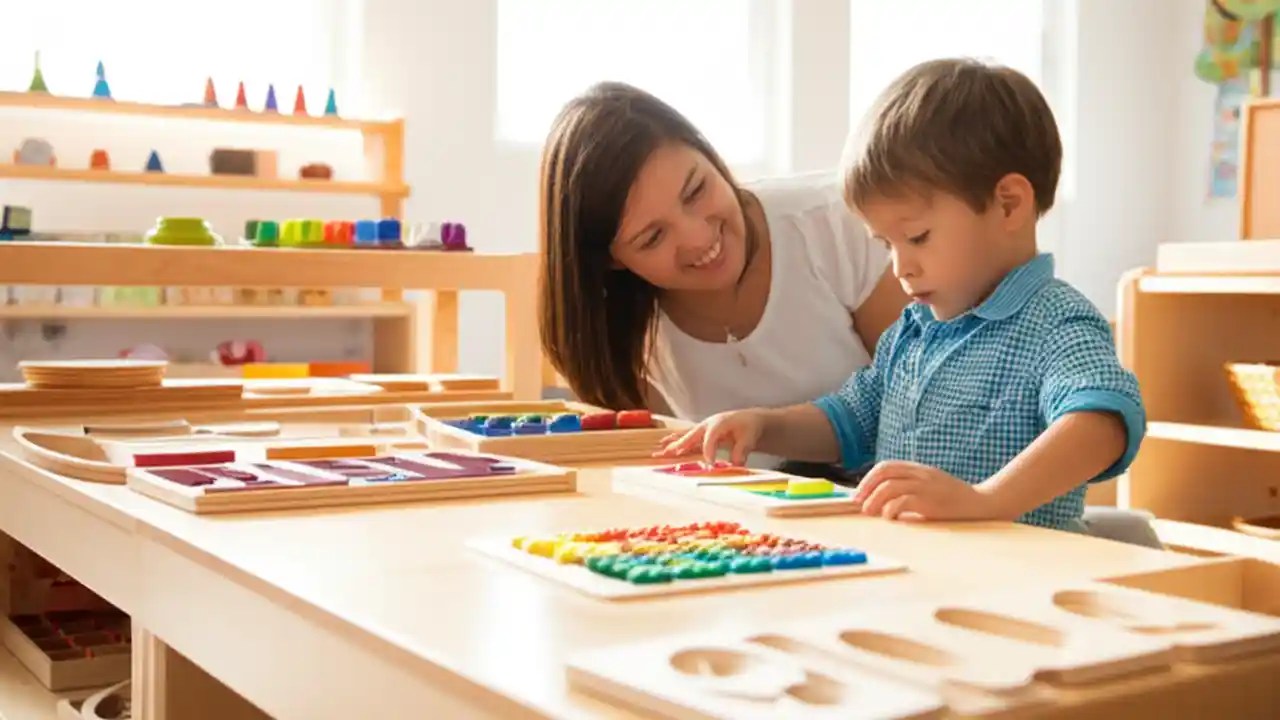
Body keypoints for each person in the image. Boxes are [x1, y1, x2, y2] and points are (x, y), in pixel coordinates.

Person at [658, 58, 1148, 535]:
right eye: (885, 244)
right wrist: (764, 425)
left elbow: (1102, 423)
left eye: (916, 238)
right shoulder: (913, 333)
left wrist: (986, 500)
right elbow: (849, 419)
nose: (900, 267)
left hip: (1021, 577)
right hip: (919, 569)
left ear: (1008, 204)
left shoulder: (1055, 323)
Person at [537, 81, 909, 476]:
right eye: (653, 237)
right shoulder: (619, 328)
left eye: (696, 190)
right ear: (612, 261)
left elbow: (919, 399)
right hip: (746, 519)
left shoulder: (838, 223)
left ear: (711, 157)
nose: (698, 238)